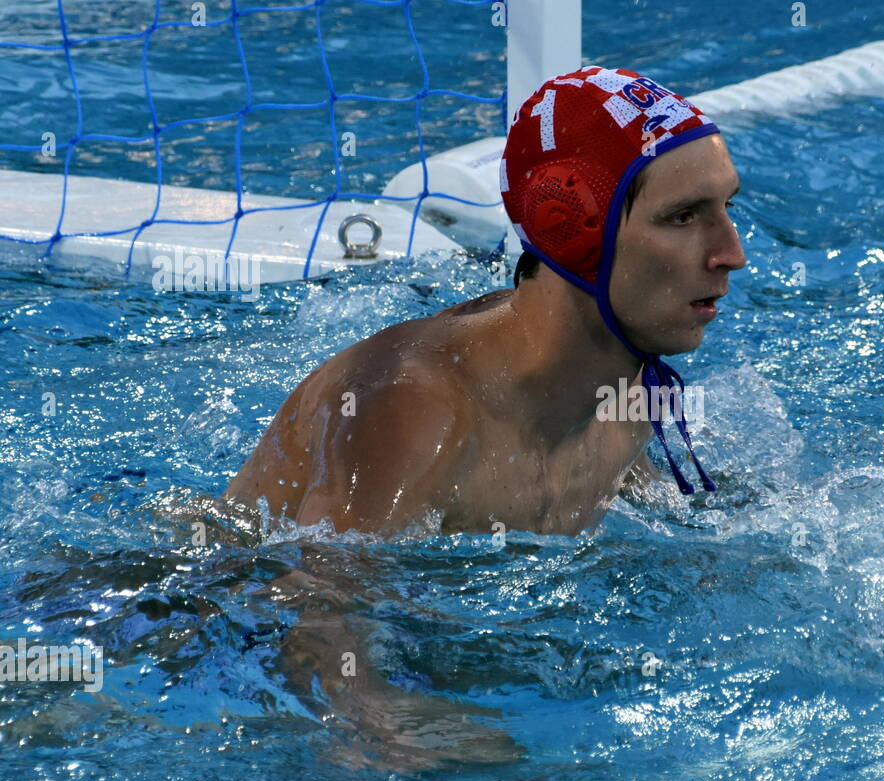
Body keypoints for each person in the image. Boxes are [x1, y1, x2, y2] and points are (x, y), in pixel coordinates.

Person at [224, 66, 746, 536]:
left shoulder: (629, 394)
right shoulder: (413, 413)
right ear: (573, 230)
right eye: (683, 216)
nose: (732, 253)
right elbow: (315, 620)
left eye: (726, 207)